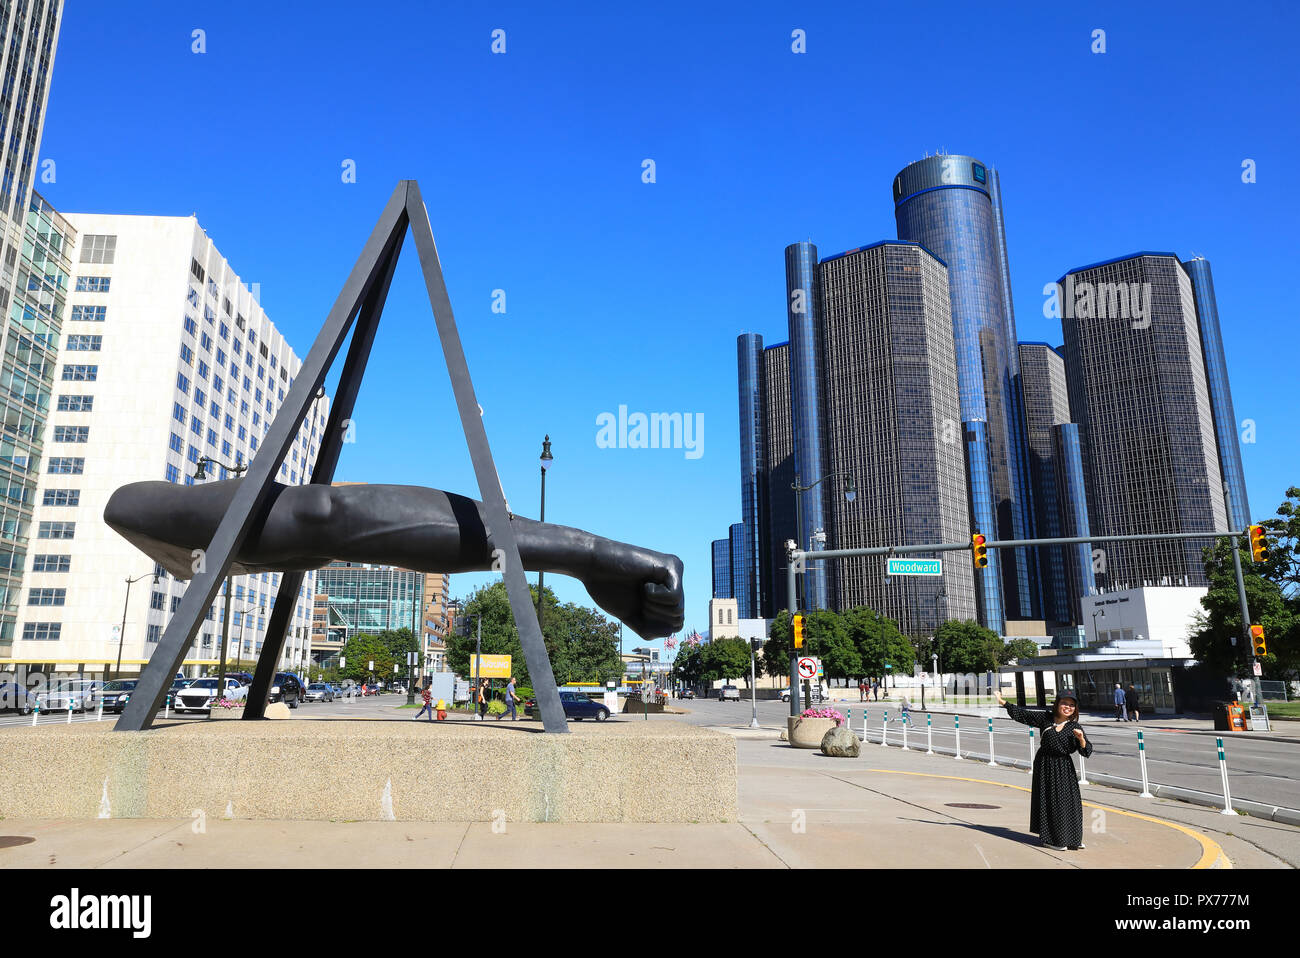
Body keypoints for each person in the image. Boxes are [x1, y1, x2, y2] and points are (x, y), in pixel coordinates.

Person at [995, 690, 1093, 851]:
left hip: (1063, 768)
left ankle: (1073, 839)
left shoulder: (1075, 726)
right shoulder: (1046, 718)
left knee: (1069, 802)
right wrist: (1002, 702)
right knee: (1049, 801)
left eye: (1071, 705)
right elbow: (1023, 715)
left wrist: (1081, 738)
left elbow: (1086, 751)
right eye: (1064, 703)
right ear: (1057, 704)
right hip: (1045, 764)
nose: (1067, 707)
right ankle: (1054, 839)